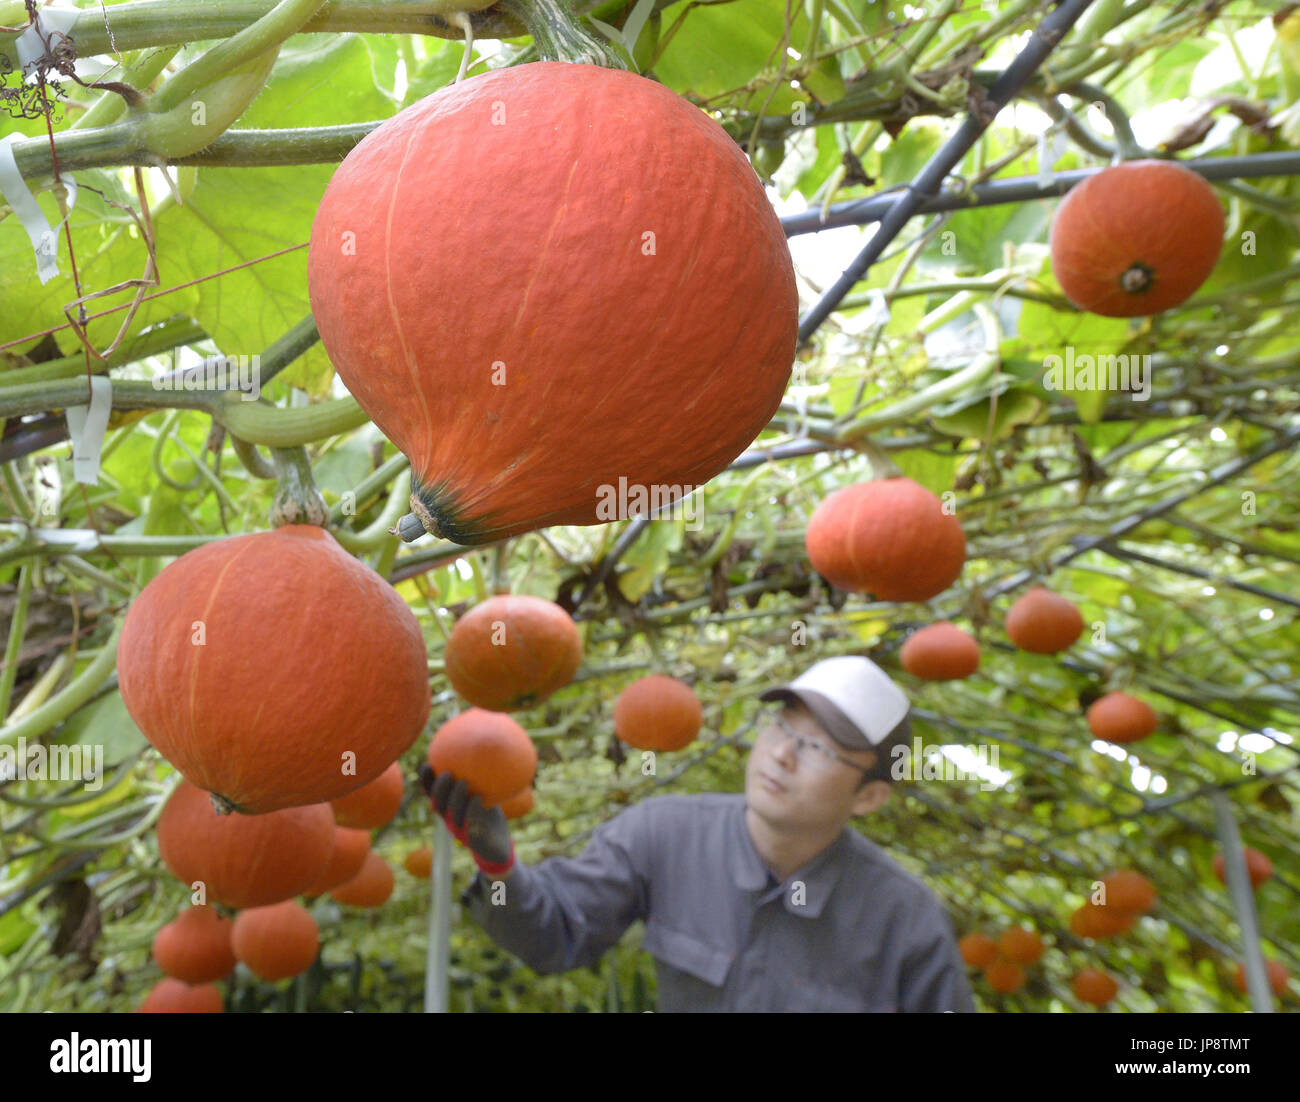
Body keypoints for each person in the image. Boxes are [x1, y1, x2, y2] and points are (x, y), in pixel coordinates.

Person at [419, 654, 975, 1012]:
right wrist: (498, 868)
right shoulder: (663, 834)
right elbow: (554, 937)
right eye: (781, 727)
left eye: (818, 748)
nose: (781, 754)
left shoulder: (906, 920)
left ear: (871, 795)